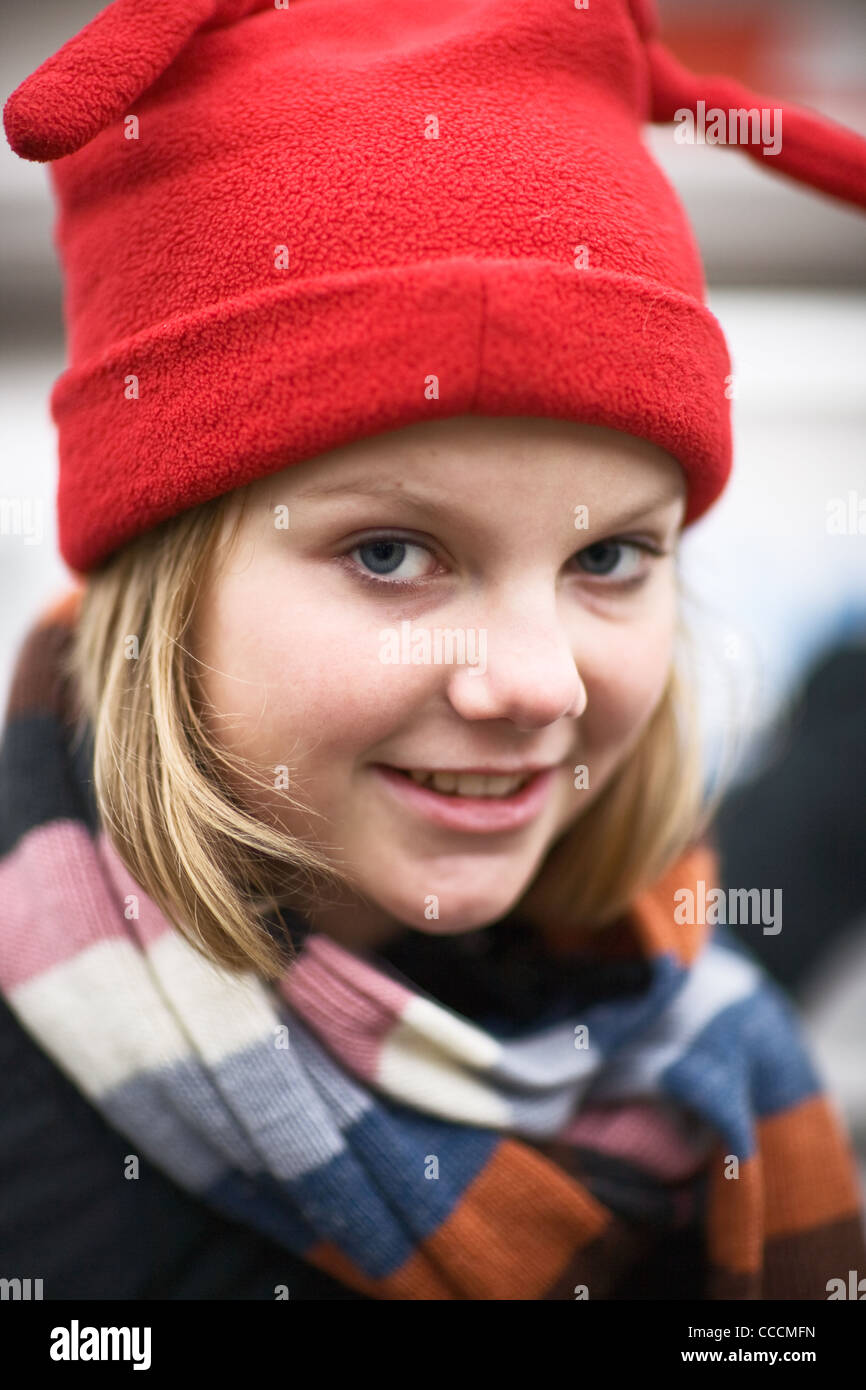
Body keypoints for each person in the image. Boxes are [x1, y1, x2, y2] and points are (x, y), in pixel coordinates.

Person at [1, 0, 865, 1301]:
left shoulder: (678, 1016)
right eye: (392, 553)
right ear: (162, 586)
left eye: (607, 557)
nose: (535, 680)